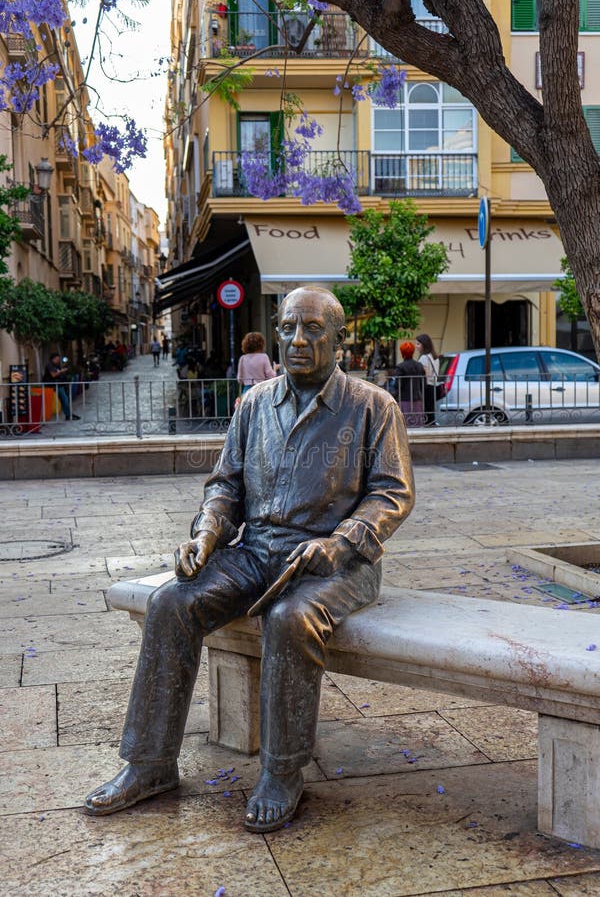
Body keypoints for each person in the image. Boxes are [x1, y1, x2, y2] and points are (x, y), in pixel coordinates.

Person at [84, 287, 415, 833]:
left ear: (337, 338)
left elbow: (392, 493)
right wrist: (207, 535)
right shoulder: (254, 403)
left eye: (312, 329)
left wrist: (339, 542)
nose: (298, 340)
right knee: (171, 602)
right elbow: (226, 486)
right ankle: (149, 764)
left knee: (290, 618)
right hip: (256, 550)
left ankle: (283, 772)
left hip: (337, 562)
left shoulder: (373, 407)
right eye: (287, 328)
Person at [392, 341, 426, 427]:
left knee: (405, 425)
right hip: (417, 399)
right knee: (418, 425)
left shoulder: (401, 367)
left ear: (402, 352)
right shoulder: (419, 365)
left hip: (404, 400)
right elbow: (423, 383)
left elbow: (398, 385)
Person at [42, 353, 80, 420]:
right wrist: (61, 371)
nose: (58, 360)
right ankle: (68, 415)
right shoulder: (49, 365)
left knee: (65, 399)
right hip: (53, 385)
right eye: (57, 359)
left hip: (59, 385)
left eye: (59, 359)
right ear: (53, 359)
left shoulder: (56, 365)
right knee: (64, 399)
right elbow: (53, 375)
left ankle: (68, 415)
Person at [415, 333, 439, 426]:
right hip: (434, 385)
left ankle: (428, 425)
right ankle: (431, 424)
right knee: (431, 409)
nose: (416, 346)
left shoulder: (424, 358)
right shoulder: (434, 357)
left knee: (426, 409)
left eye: (418, 344)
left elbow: (426, 375)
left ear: (424, 344)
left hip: (427, 386)